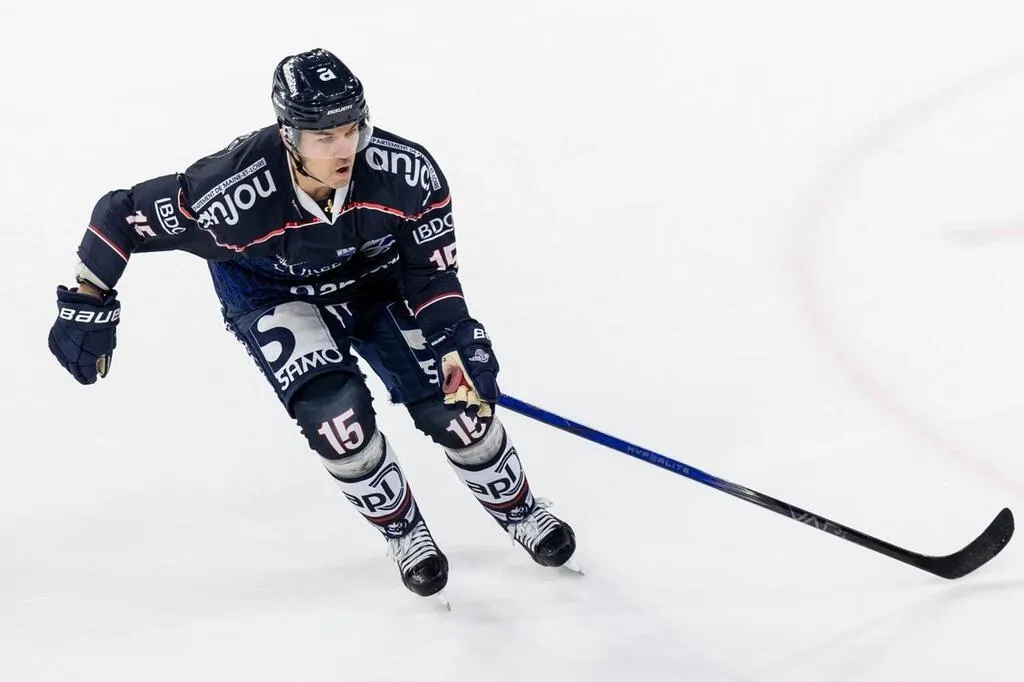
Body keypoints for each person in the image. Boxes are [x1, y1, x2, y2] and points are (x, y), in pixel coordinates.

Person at [47, 48, 576, 599]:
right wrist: (89, 301)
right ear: (288, 135)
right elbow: (120, 214)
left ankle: (522, 512)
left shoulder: (407, 174)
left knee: (459, 407)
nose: (344, 148)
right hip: (269, 291)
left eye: (352, 128)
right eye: (324, 137)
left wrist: (455, 339)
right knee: (336, 420)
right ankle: (404, 532)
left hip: (376, 283)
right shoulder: (229, 193)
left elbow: (430, 274)